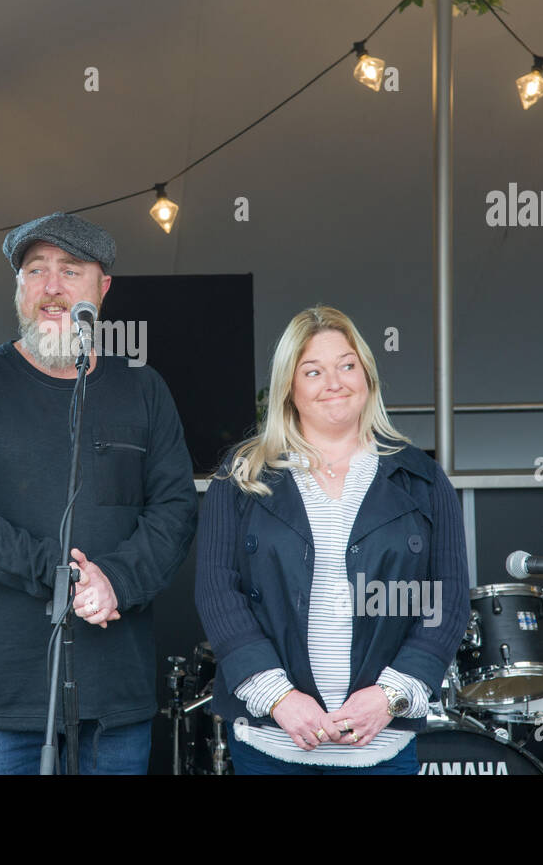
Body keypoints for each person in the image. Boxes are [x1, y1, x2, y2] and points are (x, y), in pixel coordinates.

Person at [0, 211, 197, 775]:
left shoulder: (144, 389)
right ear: (18, 288)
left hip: (113, 692)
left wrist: (116, 580)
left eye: (71, 270)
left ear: (103, 287)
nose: (53, 287)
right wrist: (54, 570)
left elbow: (175, 509)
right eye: (35, 271)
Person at [195, 306, 468, 774]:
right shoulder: (241, 474)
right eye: (313, 370)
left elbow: (447, 601)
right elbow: (218, 593)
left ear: (367, 376)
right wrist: (278, 698)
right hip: (270, 747)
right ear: (289, 387)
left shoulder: (421, 478)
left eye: (347, 365)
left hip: (380, 749)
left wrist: (389, 697)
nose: (334, 381)